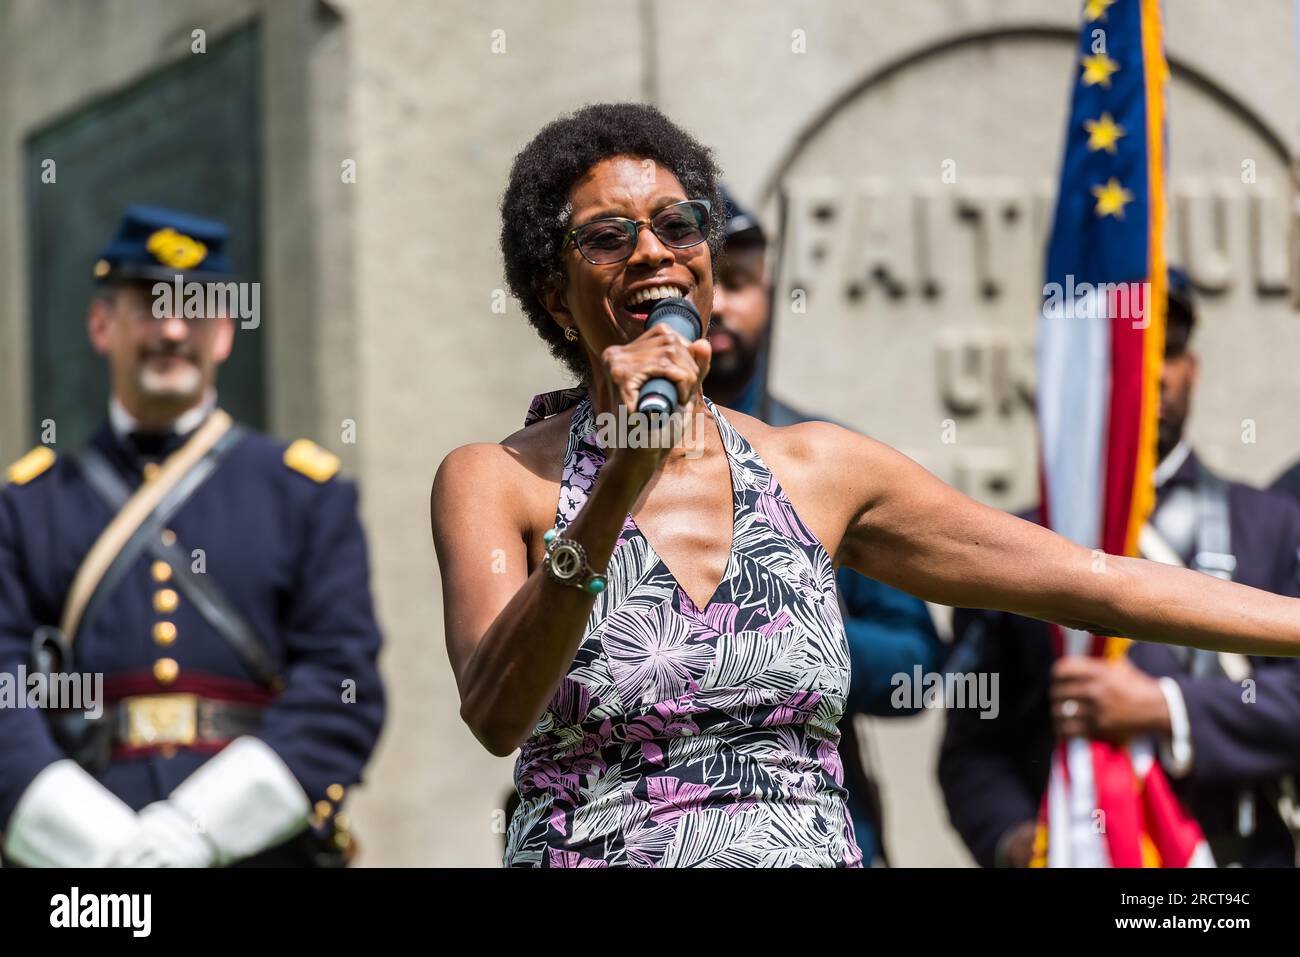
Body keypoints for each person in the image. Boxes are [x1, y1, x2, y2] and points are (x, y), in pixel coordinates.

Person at [432, 102, 1300, 869]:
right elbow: (499, 711)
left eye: (677, 224)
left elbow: (1087, 579)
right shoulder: (497, 479)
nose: (653, 250)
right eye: (608, 237)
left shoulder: (816, 468)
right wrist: (621, 475)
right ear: (554, 294)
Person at [0, 206, 386, 867]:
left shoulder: (305, 495)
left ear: (225, 331)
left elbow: (340, 687)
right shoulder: (27, 506)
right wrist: (102, 847)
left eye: (196, 308)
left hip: (258, 846)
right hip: (80, 861)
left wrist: (199, 832)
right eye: (150, 304)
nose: (172, 329)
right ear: (102, 324)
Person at [938, 270, 1300, 867]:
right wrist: (1016, 843)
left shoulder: (1272, 525)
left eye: (1171, 346)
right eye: (1127, 346)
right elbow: (973, 748)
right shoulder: (1013, 544)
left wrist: (1166, 707)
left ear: (1194, 369)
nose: (1151, 369)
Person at [706, 185, 946, 866]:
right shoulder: (605, 461)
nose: (721, 304)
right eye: (705, 284)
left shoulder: (830, 460)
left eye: (741, 282)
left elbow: (918, 666)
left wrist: (798, 632)